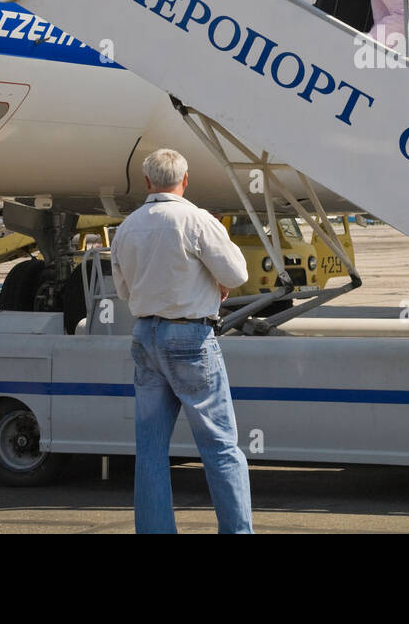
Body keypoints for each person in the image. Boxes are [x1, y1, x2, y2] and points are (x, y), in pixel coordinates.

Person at [110, 148, 253, 533]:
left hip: (145, 336)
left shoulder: (127, 227)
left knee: (151, 451)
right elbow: (236, 273)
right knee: (220, 447)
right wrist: (211, 284)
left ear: (147, 182)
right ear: (185, 180)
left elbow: (124, 290)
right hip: (190, 337)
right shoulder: (196, 220)